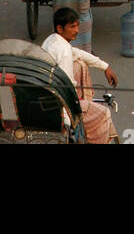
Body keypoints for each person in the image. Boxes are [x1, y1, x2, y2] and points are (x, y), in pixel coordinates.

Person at [42, 8, 118, 144]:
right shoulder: (64, 51)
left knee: (80, 63)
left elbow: (77, 53)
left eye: (77, 26)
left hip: (46, 94)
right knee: (104, 113)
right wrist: (69, 120)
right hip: (60, 106)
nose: (77, 30)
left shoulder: (51, 40)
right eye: (72, 26)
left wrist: (104, 66)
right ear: (60, 28)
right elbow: (67, 88)